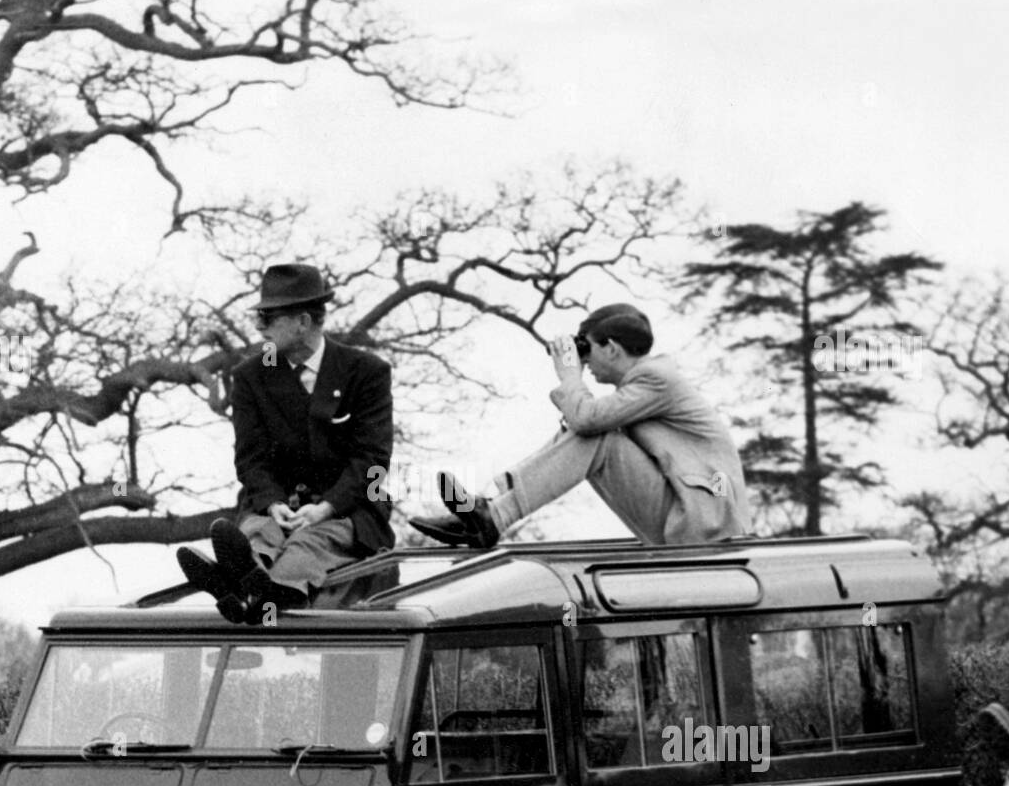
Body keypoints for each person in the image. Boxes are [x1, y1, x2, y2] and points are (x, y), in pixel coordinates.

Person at [409, 303, 750, 548]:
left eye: (587, 350)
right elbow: (583, 421)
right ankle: (488, 514)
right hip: (692, 514)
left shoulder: (656, 378)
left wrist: (571, 376)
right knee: (592, 432)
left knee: (597, 436)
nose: (585, 361)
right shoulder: (644, 384)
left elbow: (587, 420)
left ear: (611, 349)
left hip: (705, 520)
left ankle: (493, 516)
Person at [177, 264, 394, 622]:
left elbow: (372, 461)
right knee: (257, 534)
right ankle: (247, 578)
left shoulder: (366, 372)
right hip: (276, 506)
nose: (258, 327)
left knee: (305, 546)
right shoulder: (250, 376)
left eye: (267, 318)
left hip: (346, 510)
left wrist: (326, 507)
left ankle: (248, 593)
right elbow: (251, 459)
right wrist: (273, 503)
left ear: (302, 322)